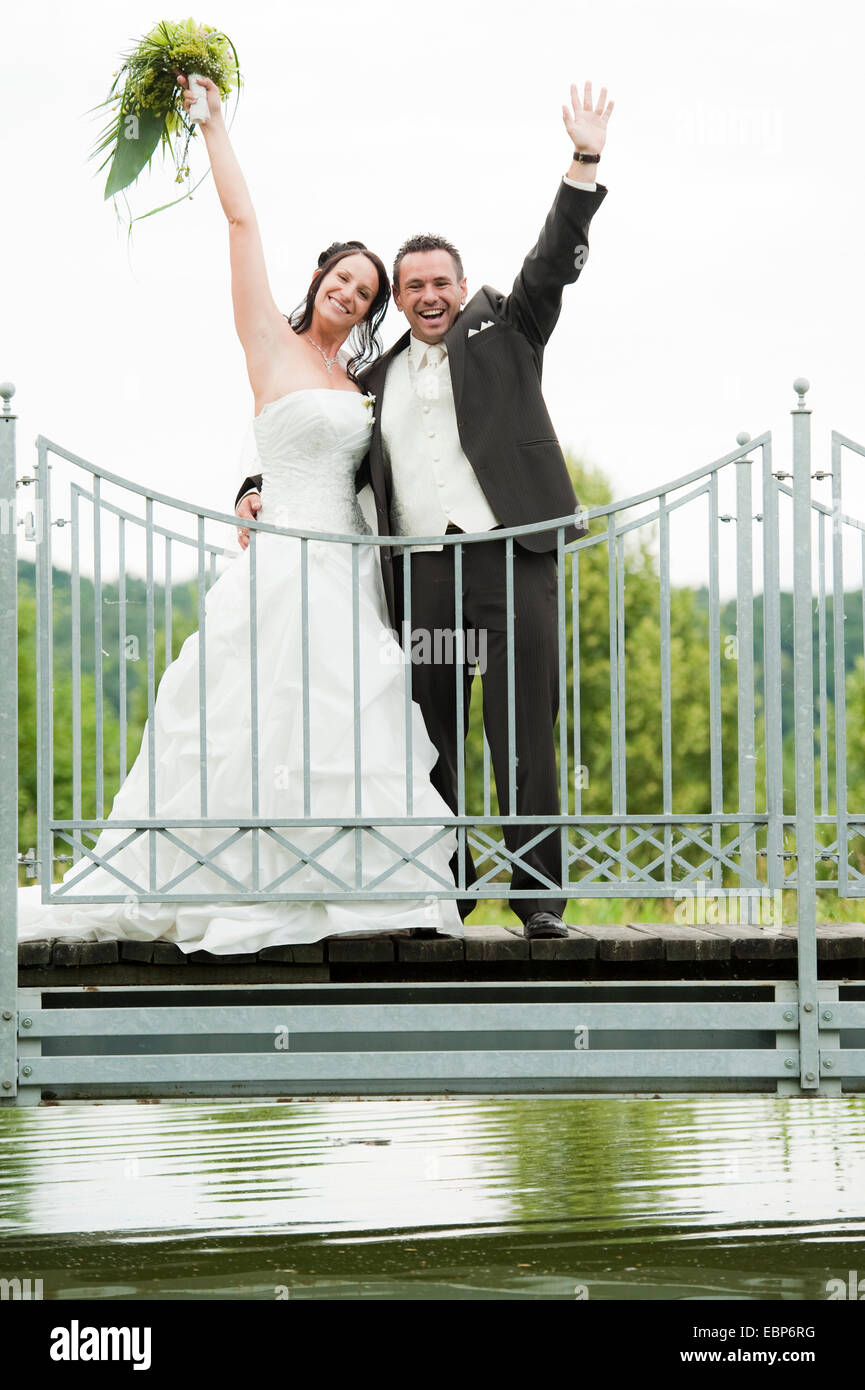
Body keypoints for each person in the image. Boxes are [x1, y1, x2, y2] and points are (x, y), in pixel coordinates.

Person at [17, 72, 463, 951]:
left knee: (352, 712)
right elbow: (241, 224)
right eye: (343, 278)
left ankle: (360, 888)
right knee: (252, 716)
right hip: (279, 568)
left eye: (366, 293)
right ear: (318, 277)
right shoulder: (272, 340)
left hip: (347, 567)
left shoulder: (359, 382)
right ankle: (238, 877)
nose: (351, 295)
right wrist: (212, 124)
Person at [236, 82, 613, 939]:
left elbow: (554, 255)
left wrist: (583, 161)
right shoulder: (370, 383)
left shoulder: (511, 331)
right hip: (422, 576)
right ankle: (436, 895)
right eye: (412, 287)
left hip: (509, 559)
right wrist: (251, 489)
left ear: (462, 284)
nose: (429, 295)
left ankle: (537, 900)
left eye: (441, 282)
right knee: (430, 737)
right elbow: (315, 444)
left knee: (521, 733)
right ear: (395, 300)